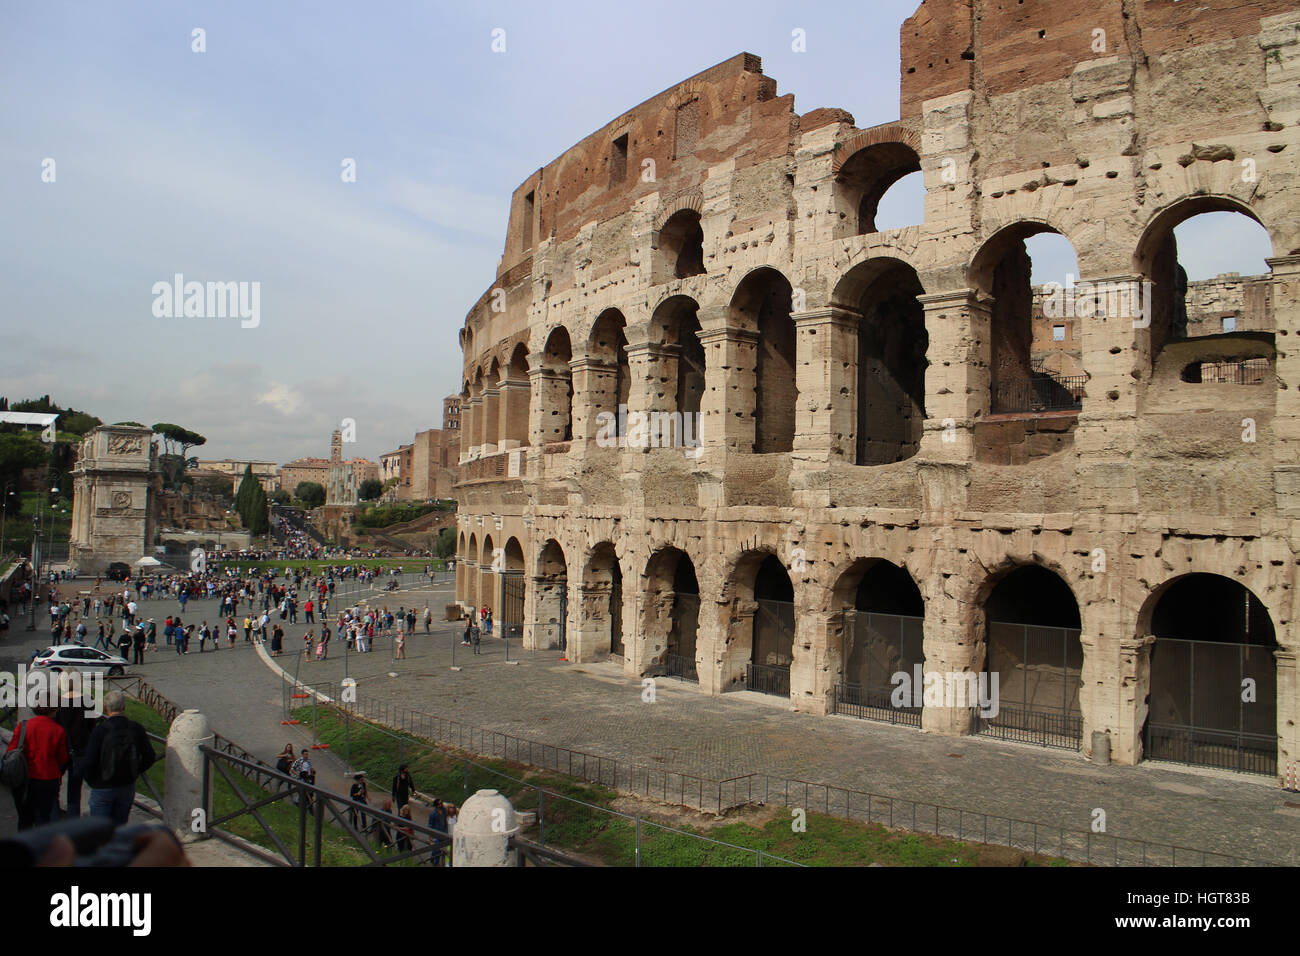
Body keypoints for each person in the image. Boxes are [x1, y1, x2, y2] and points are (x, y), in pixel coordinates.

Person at [79, 690, 156, 826]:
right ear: (124, 707)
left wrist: (94, 782)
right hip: (126, 785)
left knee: (100, 830)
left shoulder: (100, 730)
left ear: (105, 708)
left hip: (102, 786)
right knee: (120, 829)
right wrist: (135, 772)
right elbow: (150, 756)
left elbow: (89, 762)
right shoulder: (136, 728)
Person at [6, 706, 70, 830]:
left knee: (24, 819)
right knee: (43, 818)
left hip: (23, 780)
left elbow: (11, 751)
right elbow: (63, 758)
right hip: (48, 779)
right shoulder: (58, 730)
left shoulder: (23, 726)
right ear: (53, 711)